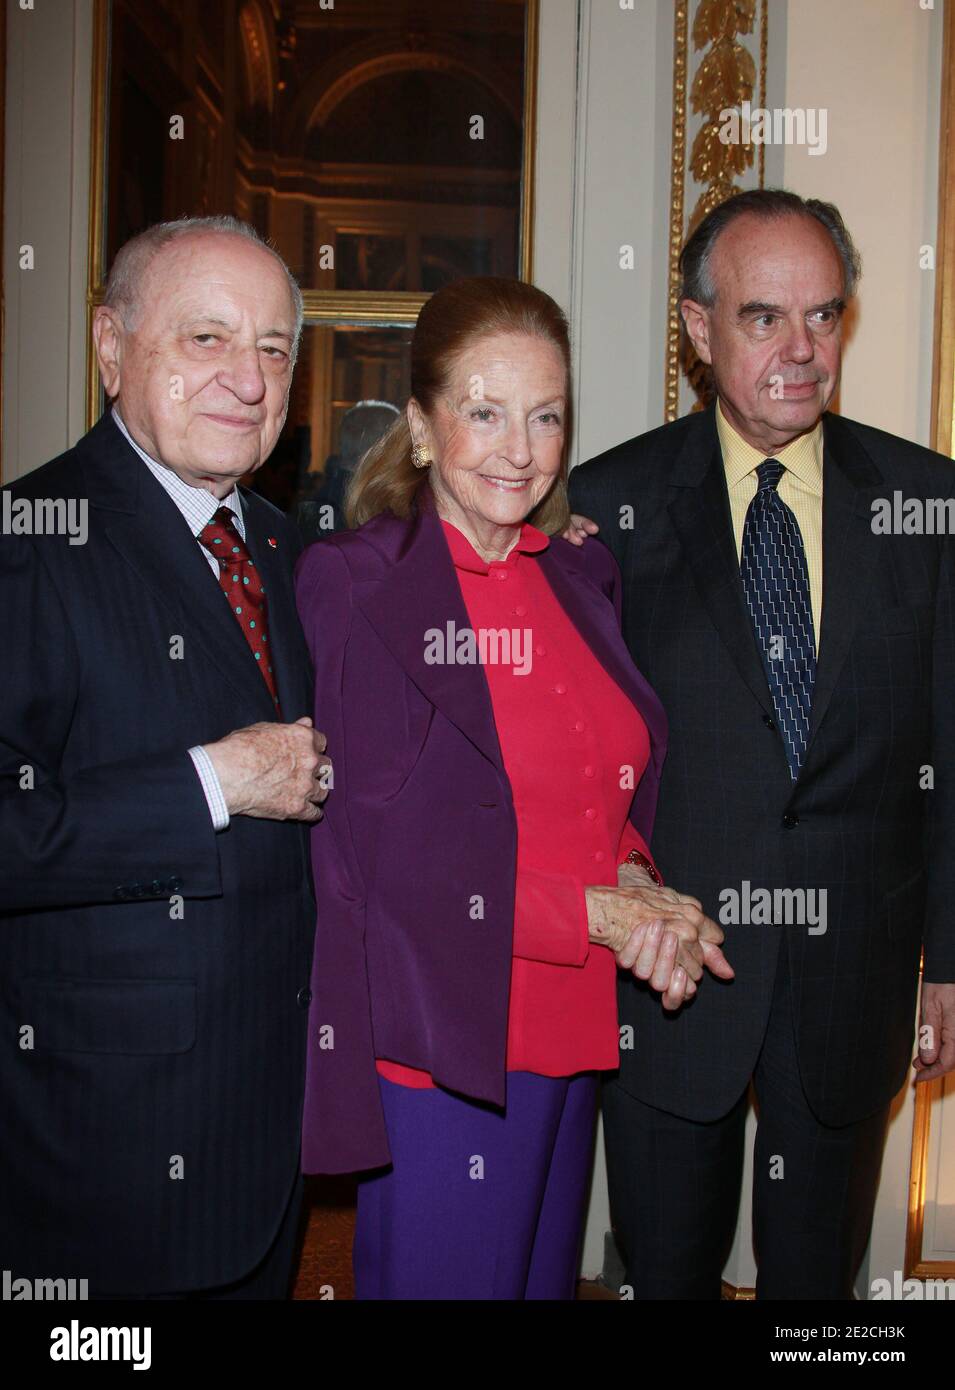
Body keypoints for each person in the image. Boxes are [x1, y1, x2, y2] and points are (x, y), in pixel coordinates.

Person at [295, 275, 732, 1300]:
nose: (519, 449)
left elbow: (606, 783)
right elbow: (387, 865)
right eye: (483, 412)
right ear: (418, 423)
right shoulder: (360, 581)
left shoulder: (577, 574)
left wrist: (642, 887)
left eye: (545, 416)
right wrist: (606, 918)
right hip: (447, 1043)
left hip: (568, 1026)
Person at [567, 189, 955, 1300]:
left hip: (855, 977)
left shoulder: (927, 505)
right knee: (666, 1273)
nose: (801, 350)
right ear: (696, 328)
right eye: (763, 318)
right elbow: (576, 762)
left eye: (824, 316)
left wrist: (950, 960)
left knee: (816, 1293)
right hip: (667, 976)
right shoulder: (607, 507)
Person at [0, 216, 330, 1298]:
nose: (248, 378)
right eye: (206, 339)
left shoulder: (280, 546)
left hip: (260, 1134)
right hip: (104, 1153)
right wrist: (211, 784)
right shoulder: (30, 540)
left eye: (275, 347)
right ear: (110, 347)